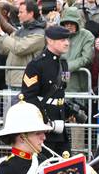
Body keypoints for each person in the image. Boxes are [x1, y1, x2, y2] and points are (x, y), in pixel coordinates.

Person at [19, 24, 73, 155]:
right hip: (43, 129)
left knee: (65, 165)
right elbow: (28, 96)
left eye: (67, 39)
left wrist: (70, 112)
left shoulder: (62, 63)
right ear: (49, 41)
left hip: (60, 126)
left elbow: (59, 93)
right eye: (62, 40)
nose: (67, 43)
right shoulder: (36, 65)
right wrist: (45, 121)